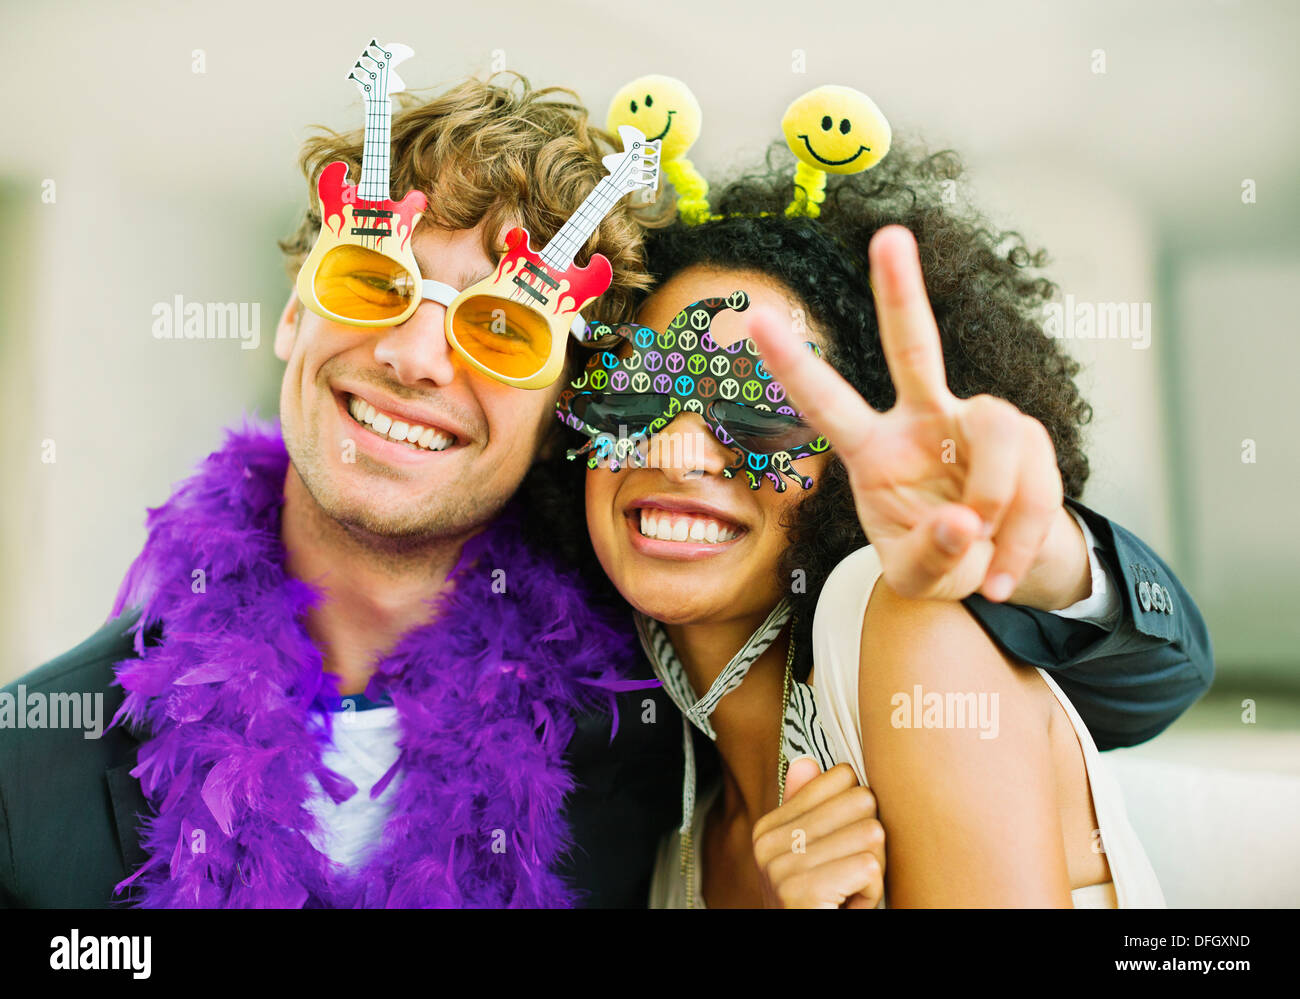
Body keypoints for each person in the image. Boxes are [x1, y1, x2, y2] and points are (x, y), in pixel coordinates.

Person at [1, 76, 1202, 908]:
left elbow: (1146, 669)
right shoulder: (31, 763)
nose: (422, 359)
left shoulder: (786, 658)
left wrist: (1036, 556)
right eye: (374, 285)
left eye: (506, 331)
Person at [553, 142, 1211, 907]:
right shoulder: (665, 836)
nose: (682, 451)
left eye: (762, 407)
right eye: (638, 389)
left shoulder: (900, 625)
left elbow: (1175, 671)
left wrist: (1035, 549)